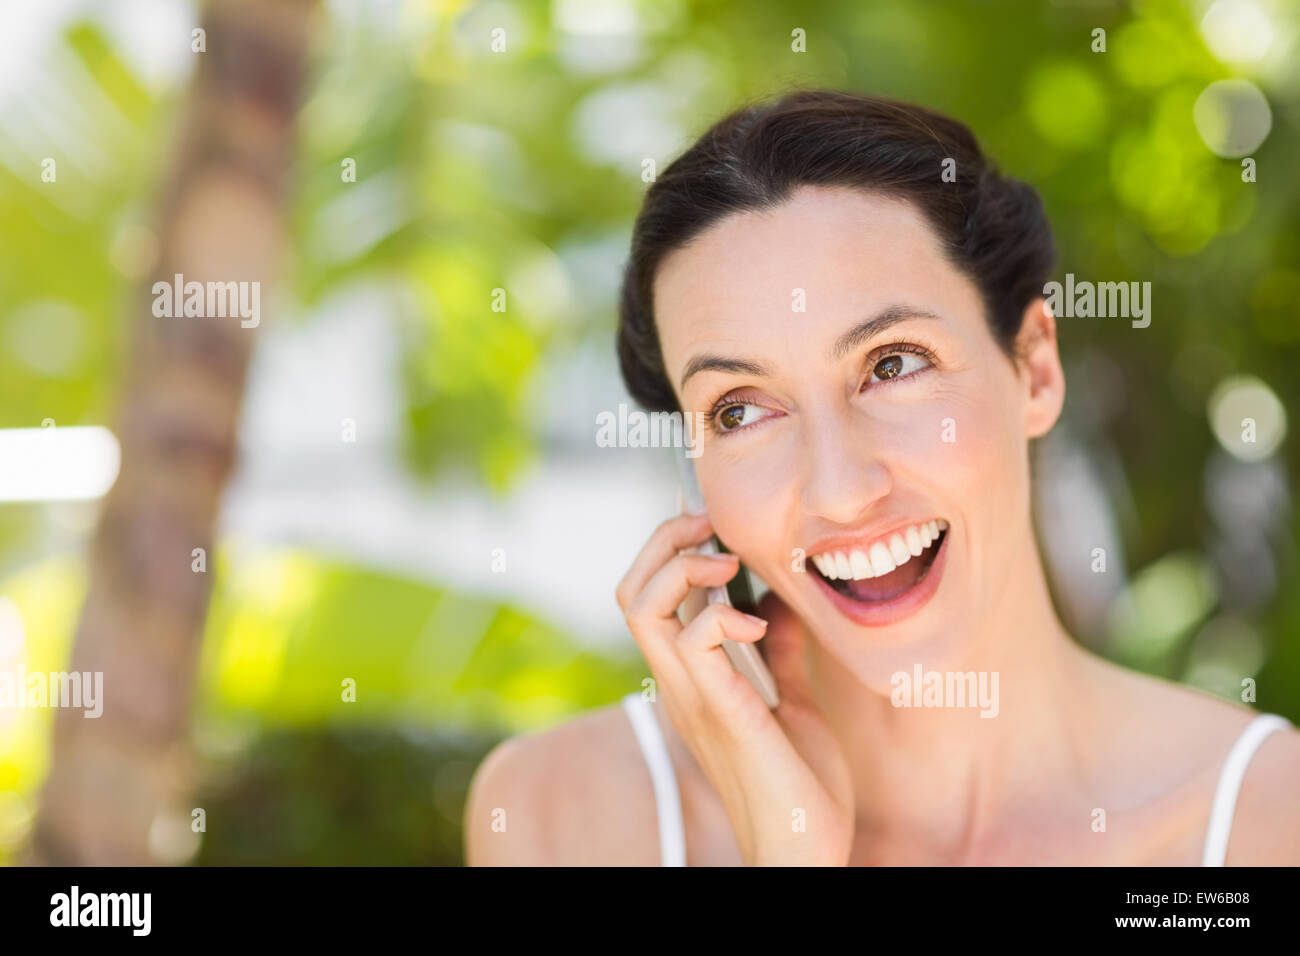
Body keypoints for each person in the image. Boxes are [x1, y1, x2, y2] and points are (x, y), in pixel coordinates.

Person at [464, 89, 1299, 866]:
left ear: (1035, 367)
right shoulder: (563, 816)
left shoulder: (1262, 823)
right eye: (740, 411)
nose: (838, 490)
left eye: (893, 363)